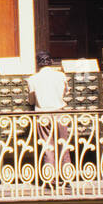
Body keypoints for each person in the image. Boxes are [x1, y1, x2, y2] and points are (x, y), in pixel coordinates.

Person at [28, 51, 69, 184]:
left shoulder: (33, 79)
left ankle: (50, 178)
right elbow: (65, 92)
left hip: (44, 114)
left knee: (48, 146)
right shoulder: (61, 75)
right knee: (63, 145)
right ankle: (66, 176)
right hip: (59, 113)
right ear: (50, 62)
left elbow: (31, 101)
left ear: (37, 63)